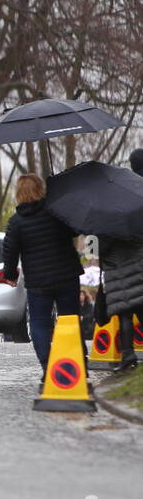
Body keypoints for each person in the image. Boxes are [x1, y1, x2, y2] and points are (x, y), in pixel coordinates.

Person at [0, 173, 83, 370]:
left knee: (39, 323)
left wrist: (10, 275)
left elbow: (9, 252)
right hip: (66, 276)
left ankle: (47, 366)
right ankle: (77, 364)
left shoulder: (16, 222)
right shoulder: (56, 212)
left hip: (38, 282)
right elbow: (75, 229)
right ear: (40, 189)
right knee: (69, 319)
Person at [98, 148, 143, 372]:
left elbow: (101, 248)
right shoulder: (138, 204)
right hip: (138, 266)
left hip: (117, 271)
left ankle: (128, 356)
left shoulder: (105, 216)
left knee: (125, 314)